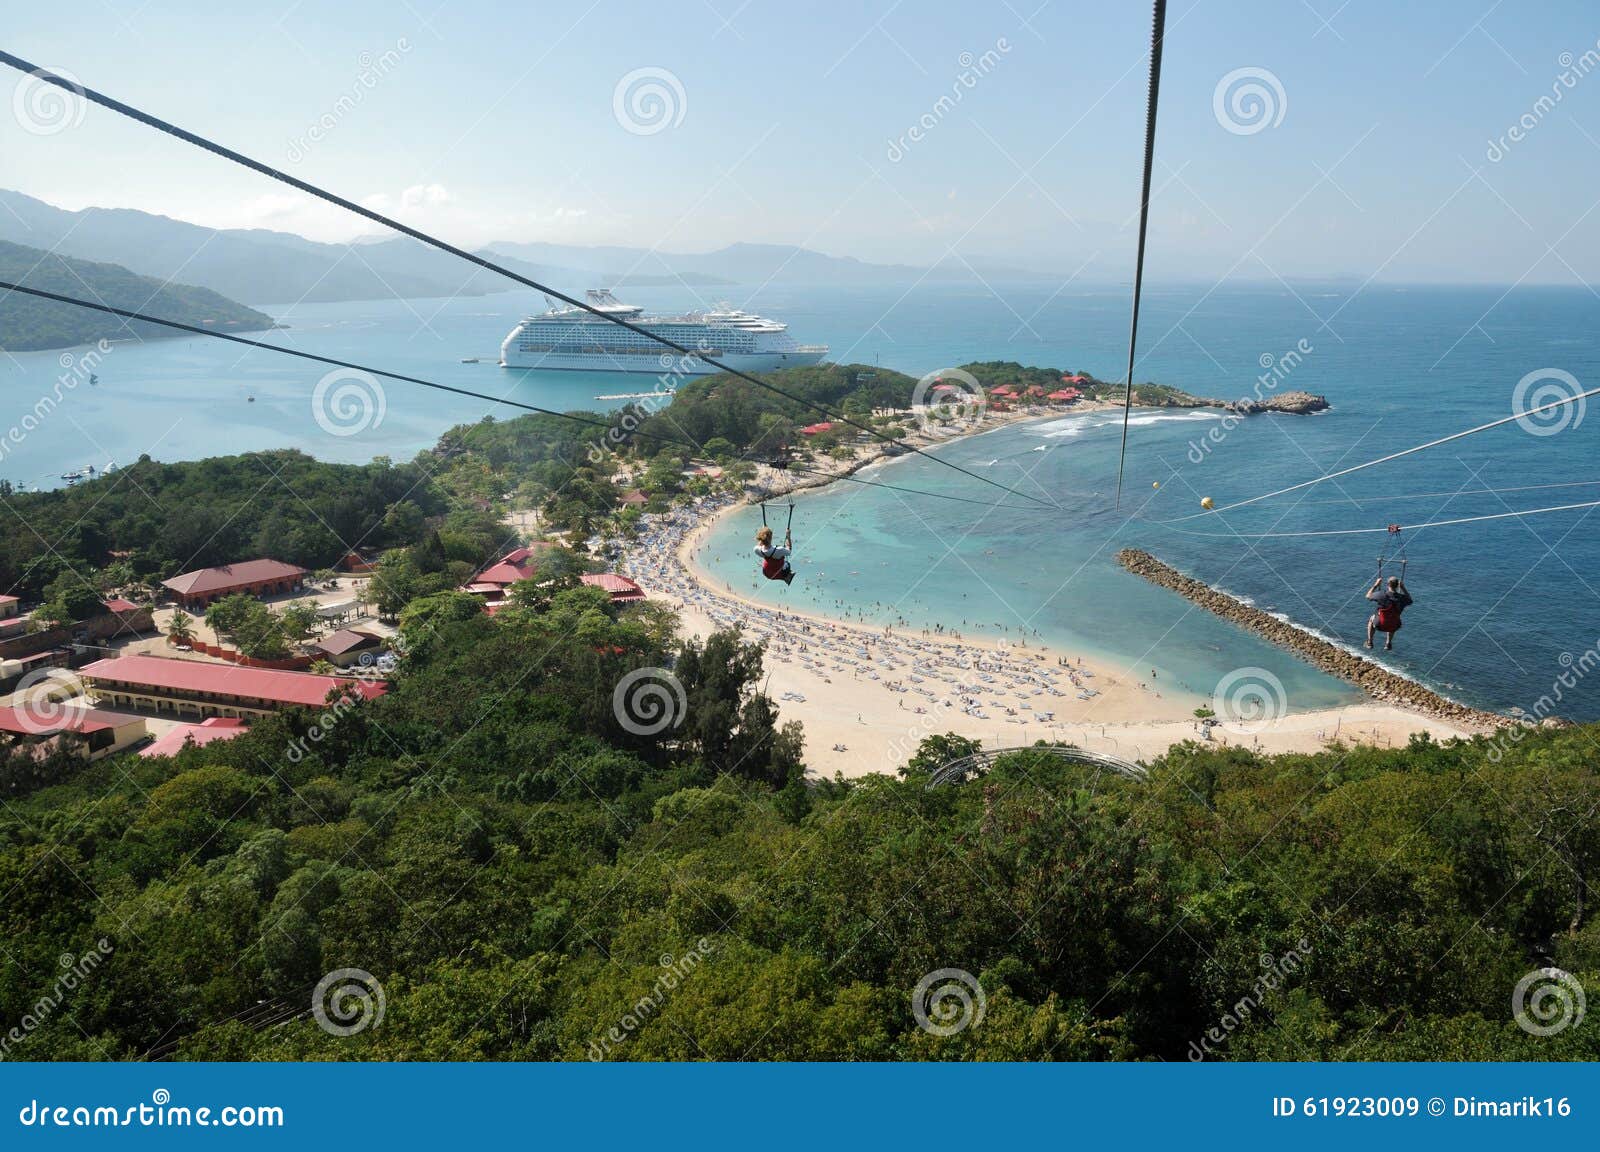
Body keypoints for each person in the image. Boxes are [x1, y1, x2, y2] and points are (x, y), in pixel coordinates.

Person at [1365, 574, 1413, 650]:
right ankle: (1388, 643)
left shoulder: (1381, 595)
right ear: (1398, 586)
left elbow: (1368, 596)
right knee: (1393, 618)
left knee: (1372, 618)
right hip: (1394, 626)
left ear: (1388, 585)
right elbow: (1410, 600)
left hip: (1379, 625)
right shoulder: (1402, 598)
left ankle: (1370, 641)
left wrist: (1376, 585)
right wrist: (1403, 588)